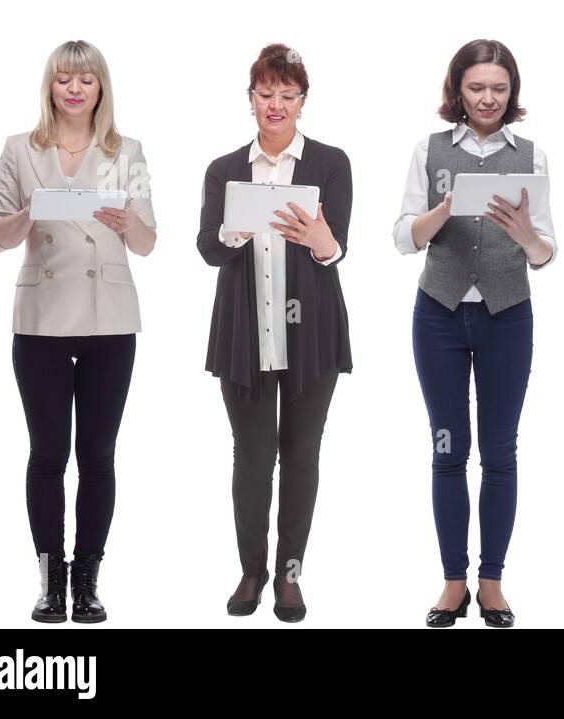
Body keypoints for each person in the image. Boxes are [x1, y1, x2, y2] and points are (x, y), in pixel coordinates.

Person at [0, 39, 157, 623]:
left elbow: (148, 243)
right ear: (50, 87)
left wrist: (126, 219)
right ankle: (48, 579)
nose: (75, 88)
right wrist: (32, 210)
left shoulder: (126, 151)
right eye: (64, 79)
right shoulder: (20, 149)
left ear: (101, 86)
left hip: (110, 318)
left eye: (85, 79)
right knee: (47, 453)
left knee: (98, 454)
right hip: (41, 321)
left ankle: (87, 581)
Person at [393, 39, 555, 628]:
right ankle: (452, 580)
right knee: (446, 450)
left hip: (507, 313)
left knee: (501, 452)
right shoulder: (429, 149)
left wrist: (525, 232)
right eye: (476, 87)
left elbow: (545, 253)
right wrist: (443, 210)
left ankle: (492, 582)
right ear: (457, 90)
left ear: (512, 94)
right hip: (438, 311)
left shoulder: (531, 156)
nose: (488, 99)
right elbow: (402, 236)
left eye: (499, 89)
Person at [197, 43, 353, 623]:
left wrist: (323, 243)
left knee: (302, 455)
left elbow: (339, 249)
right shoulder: (225, 169)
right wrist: (235, 232)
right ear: (251, 99)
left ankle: (290, 574)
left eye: (288, 95)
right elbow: (208, 247)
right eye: (267, 94)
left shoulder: (330, 163)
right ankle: (251, 571)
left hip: (310, 332)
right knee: (252, 459)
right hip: (245, 332)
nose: (276, 105)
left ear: (303, 101)